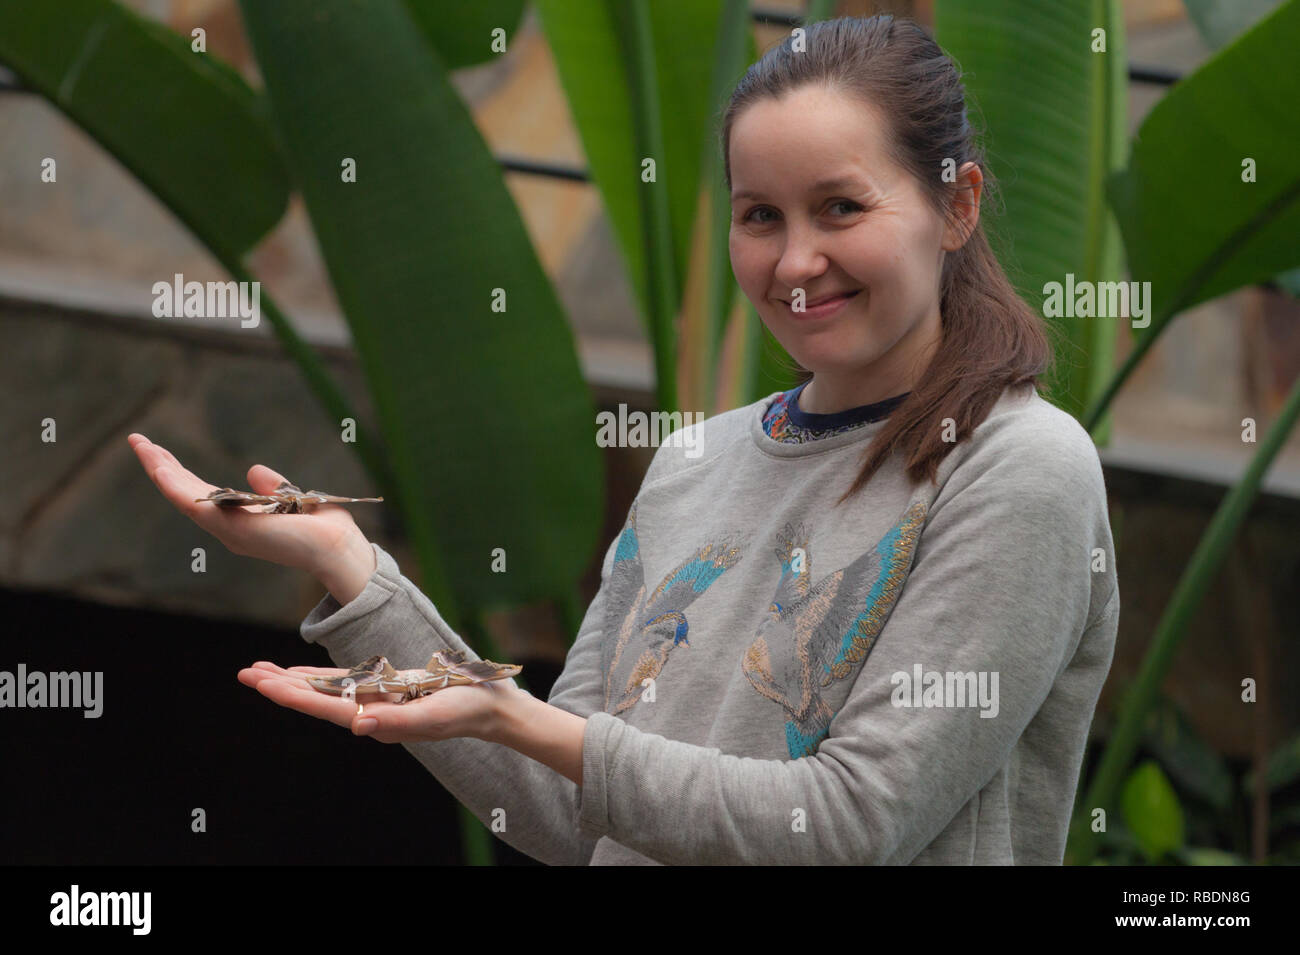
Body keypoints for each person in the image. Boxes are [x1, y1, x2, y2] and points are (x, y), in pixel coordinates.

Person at [129, 14, 1118, 865]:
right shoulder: (695, 463)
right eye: (759, 216)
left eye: (841, 207)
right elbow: (565, 801)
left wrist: (516, 715)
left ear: (957, 204)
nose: (796, 261)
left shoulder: (1018, 467)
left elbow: (852, 823)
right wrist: (360, 577)